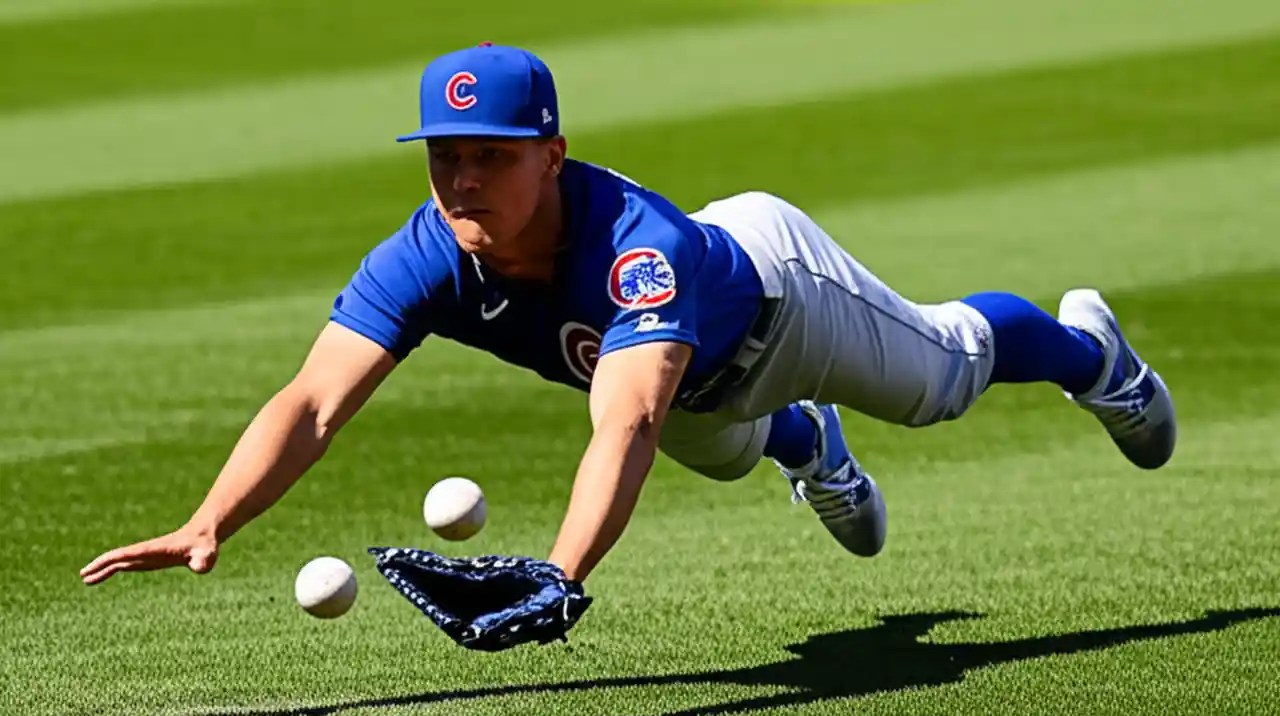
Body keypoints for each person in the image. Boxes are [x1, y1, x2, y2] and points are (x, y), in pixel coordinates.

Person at [79, 43, 1175, 589]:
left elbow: (622, 428)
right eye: (444, 157)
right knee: (728, 449)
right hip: (679, 382)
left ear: (549, 155)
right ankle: (808, 442)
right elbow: (315, 400)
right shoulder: (424, 254)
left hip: (778, 299)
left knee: (941, 383)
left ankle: (1092, 359)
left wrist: (560, 574)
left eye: (491, 158)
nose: (462, 180)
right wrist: (211, 519)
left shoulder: (635, 251)